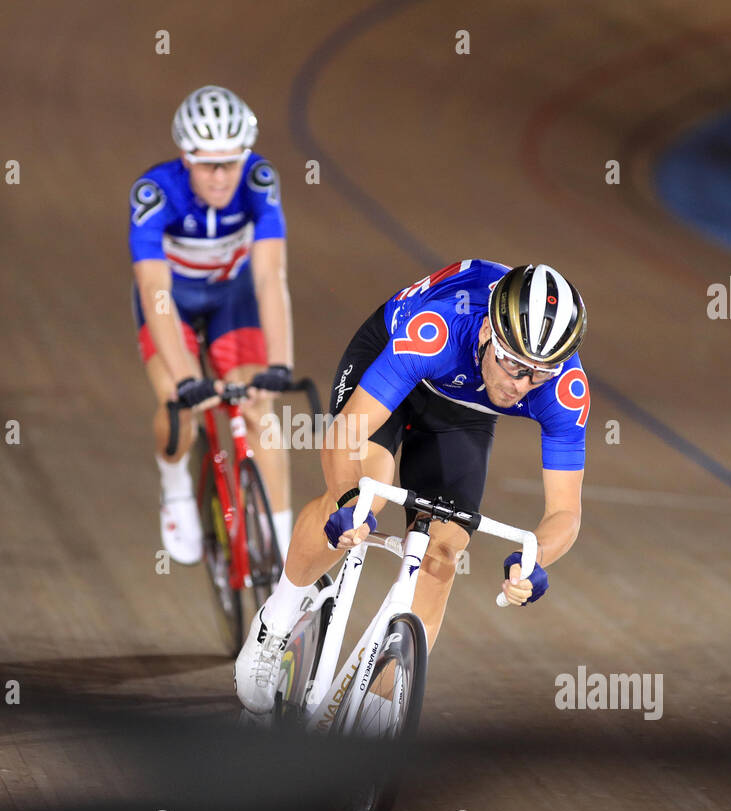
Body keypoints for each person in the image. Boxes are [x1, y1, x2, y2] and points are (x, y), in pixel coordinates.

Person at [234, 259, 590, 714]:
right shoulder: (437, 329)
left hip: (462, 408)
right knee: (369, 495)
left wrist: (534, 558)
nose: (521, 385)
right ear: (486, 332)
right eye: (515, 365)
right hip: (397, 363)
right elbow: (344, 435)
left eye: (539, 374)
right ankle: (276, 619)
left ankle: (380, 716)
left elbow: (565, 513)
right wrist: (347, 500)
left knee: (444, 551)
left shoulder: (562, 387)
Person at [129, 85, 296, 565]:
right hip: (171, 303)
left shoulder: (260, 180)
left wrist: (280, 365)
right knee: (177, 406)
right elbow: (155, 292)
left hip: (231, 298)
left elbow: (268, 277)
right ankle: (175, 481)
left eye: (231, 162)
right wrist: (185, 380)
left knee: (260, 408)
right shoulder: (154, 192)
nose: (222, 177)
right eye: (208, 164)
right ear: (185, 157)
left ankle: (283, 553)